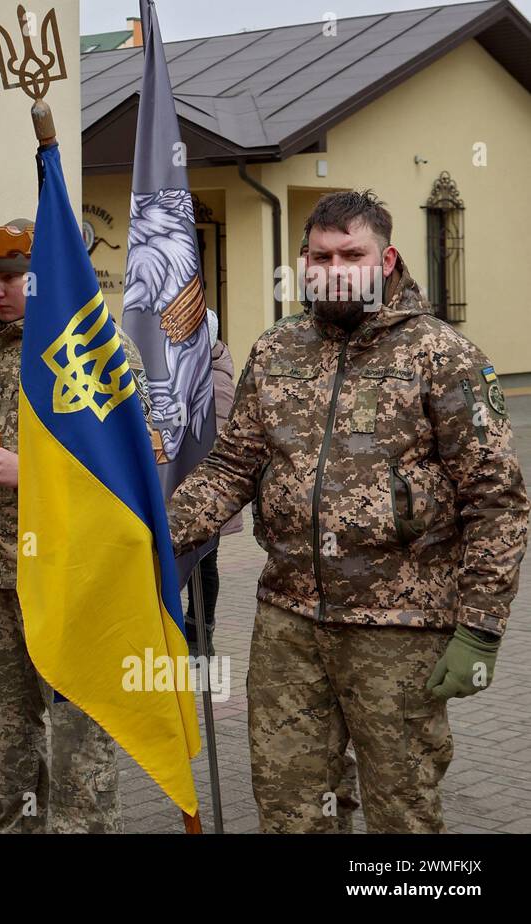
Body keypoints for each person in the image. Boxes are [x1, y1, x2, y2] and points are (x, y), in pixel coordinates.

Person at [168, 190, 528, 833]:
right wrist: (153, 536)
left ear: (386, 259)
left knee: (402, 811)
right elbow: (230, 469)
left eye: (351, 254)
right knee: (288, 805)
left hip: (399, 628)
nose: (334, 268)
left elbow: (497, 501)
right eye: (320, 255)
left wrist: (480, 629)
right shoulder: (277, 351)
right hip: (288, 622)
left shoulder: (442, 356)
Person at [0, 218, 140, 834]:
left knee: (77, 715)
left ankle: (84, 830)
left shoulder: (95, 345)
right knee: (2, 722)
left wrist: (34, 473)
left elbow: (135, 456)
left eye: (14, 278)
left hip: (68, 567)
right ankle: (19, 825)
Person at [182, 308, 241, 657]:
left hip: (207, 494)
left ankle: (201, 633)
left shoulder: (216, 382)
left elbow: (215, 444)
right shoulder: (191, 375)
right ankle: (191, 630)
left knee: (204, 564)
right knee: (192, 563)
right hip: (185, 488)